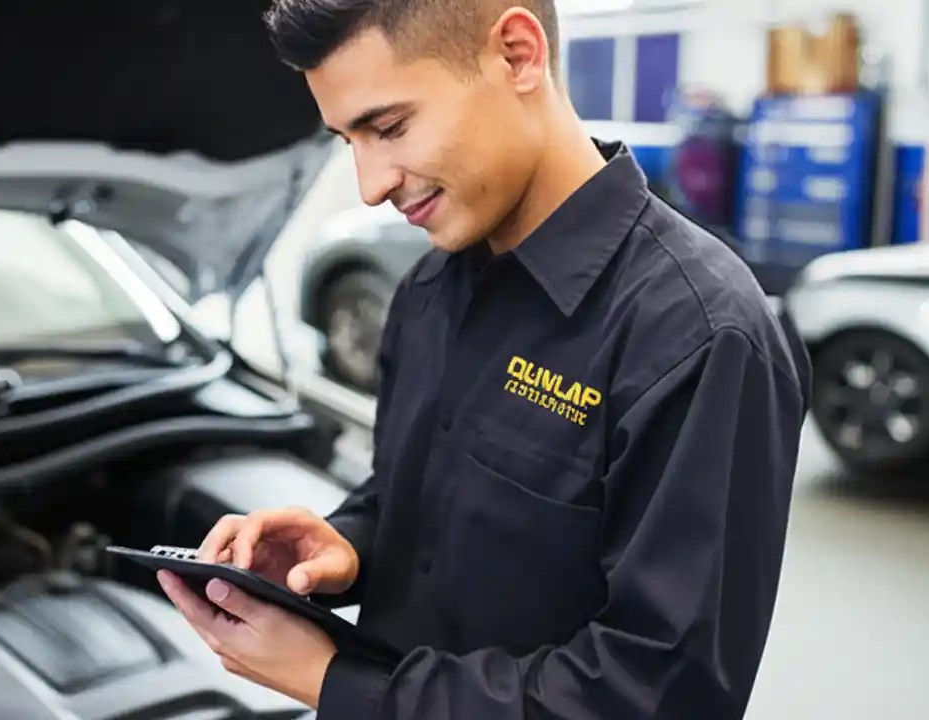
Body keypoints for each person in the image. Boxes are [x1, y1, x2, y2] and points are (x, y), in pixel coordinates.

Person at [155, 1, 812, 717]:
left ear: (518, 54)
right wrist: (346, 547)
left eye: (389, 127)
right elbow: (410, 494)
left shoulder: (702, 337)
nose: (371, 183)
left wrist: (333, 682)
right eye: (348, 140)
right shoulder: (430, 287)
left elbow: (653, 695)